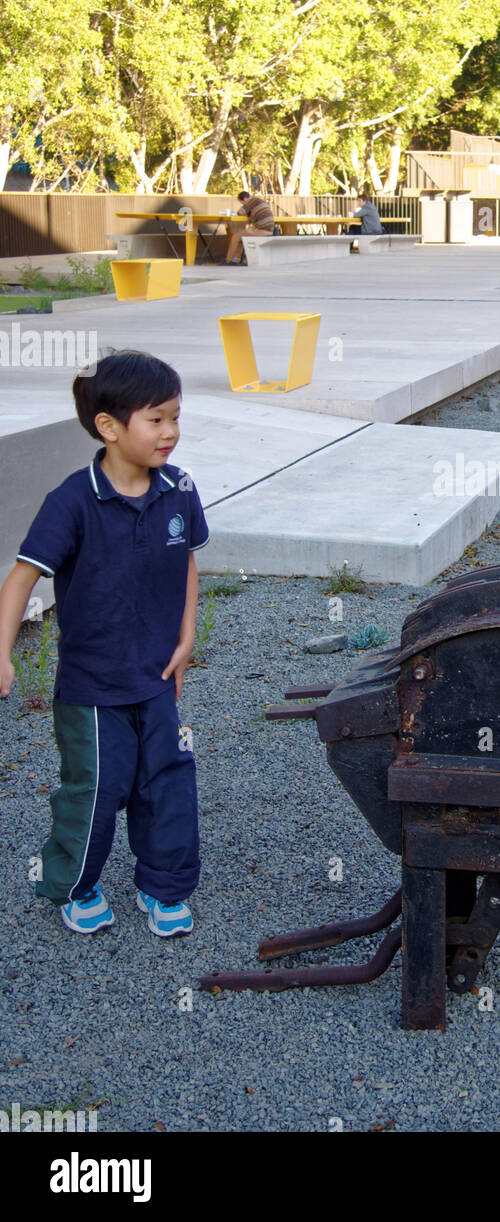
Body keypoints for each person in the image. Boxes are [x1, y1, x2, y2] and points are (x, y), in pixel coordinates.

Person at [0, 351, 209, 938]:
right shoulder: (71, 501)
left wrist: (186, 637)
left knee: (166, 783)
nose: (170, 432)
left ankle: (164, 886)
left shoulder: (179, 488)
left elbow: (187, 563)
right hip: (92, 688)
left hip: (158, 678)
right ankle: (76, 884)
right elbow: (20, 580)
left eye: (175, 417)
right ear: (109, 427)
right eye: (156, 420)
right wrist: (1, 653)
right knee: (96, 787)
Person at [226, 190, 274, 264]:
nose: (242, 204)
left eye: (241, 202)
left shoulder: (250, 203)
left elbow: (240, 212)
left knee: (236, 237)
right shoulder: (259, 200)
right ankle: (236, 259)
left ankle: (229, 260)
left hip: (262, 230)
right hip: (269, 229)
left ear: (245, 199)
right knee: (242, 235)